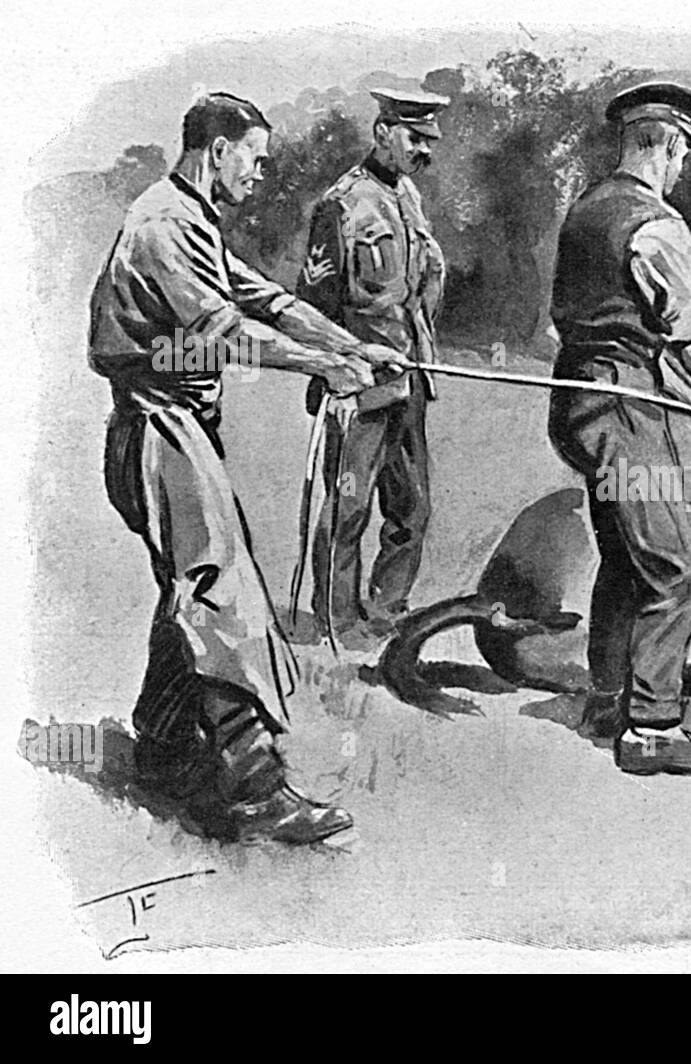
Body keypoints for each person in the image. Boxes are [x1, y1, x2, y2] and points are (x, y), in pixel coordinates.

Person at [89, 93, 401, 844]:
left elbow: (263, 297)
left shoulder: (189, 218)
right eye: (253, 157)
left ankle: (163, 746)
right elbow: (225, 330)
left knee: (191, 588)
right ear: (216, 148)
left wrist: (352, 348)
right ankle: (255, 787)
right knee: (221, 588)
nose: (260, 172)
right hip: (157, 426)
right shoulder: (164, 222)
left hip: (174, 426)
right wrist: (326, 364)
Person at [548, 82, 691, 775]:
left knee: (628, 557)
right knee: (676, 565)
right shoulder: (655, 225)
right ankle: (654, 729)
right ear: (664, 144)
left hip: (579, 405)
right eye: (683, 153)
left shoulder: (585, 212)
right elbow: (687, 331)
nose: (683, 166)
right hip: (630, 406)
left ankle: (609, 700)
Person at [297, 88, 449, 646]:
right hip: (360, 388)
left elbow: (421, 285)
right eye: (415, 138)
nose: (425, 152)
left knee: (412, 508)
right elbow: (315, 304)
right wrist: (332, 371)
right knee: (349, 506)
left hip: (409, 379)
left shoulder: (408, 197)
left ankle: (386, 613)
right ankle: (335, 623)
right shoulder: (342, 204)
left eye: (431, 142)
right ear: (383, 131)